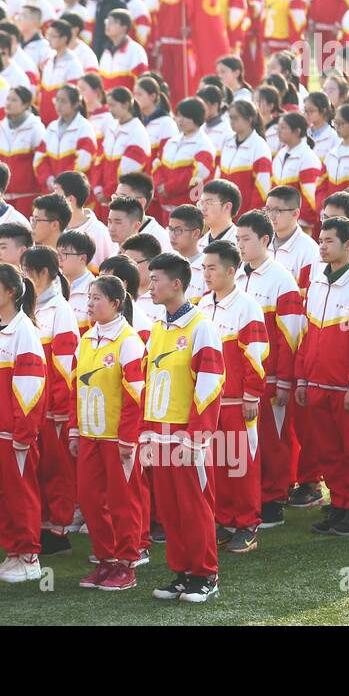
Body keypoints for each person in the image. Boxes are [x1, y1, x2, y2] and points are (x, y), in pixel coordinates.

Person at [141, 252, 225, 604]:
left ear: (176, 284)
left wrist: (198, 436)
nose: (151, 286)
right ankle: (182, 572)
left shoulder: (201, 326)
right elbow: (148, 381)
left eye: (156, 279)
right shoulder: (158, 327)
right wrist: (145, 431)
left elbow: (210, 382)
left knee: (194, 506)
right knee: (170, 510)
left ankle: (205, 575)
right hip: (158, 435)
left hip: (185, 437)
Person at [294, 217, 349, 536]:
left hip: (348, 389)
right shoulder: (317, 282)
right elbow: (307, 335)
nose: (321, 246)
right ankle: (340, 503)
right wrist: (303, 379)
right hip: (318, 384)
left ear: (348, 245)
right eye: (320, 240)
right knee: (327, 450)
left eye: (328, 241)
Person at [71, 274, 146, 591]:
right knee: (89, 501)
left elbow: (135, 395)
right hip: (90, 436)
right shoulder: (86, 339)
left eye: (97, 298)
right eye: (88, 298)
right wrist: (75, 430)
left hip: (117, 439)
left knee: (122, 502)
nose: (90, 304)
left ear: (116, 303)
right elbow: (76, 386)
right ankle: (105, 560)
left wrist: (128, 438)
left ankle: (127, 563)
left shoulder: (129, 341)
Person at [234, 210, 306, 530]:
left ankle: (275, 498)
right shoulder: (236, 276)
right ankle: (252, 496)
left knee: (274, 439)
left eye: (245, 239)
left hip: (272, 377)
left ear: (265, 240)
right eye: (237, 239)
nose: (239, 245)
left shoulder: (281, 279)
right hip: (242, 379)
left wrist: (284, 380)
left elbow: (290, 336)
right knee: (249, 441)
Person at [198, 240, 269, 554]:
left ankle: (247, 524)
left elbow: (255, 355)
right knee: (218, 464)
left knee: (241, 465)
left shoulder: (247, 306)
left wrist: (252, 394)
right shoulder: (201, 305)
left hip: (238, 402)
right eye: (204, 268)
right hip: (210, 404)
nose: (206, 273)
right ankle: (226, 521)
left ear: (231, 270)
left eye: (212, 268)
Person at [0, 264, 47, 584]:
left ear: (11, 292)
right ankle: (12, 552)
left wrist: (23, 431)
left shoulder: (24, 331)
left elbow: (31, 386)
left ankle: (29, 556)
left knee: (20, 494)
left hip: (13, 433)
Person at [21, 246, 80, 553]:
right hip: (36, 407)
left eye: (26, 272)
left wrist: (59, 408)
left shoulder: (61, 310)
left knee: (58, 472)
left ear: (43, 273)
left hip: (53, 408)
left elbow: (65, 365)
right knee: (40, 469)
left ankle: (59, 531)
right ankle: (43, 524)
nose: (22, 278)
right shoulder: (33, 307)